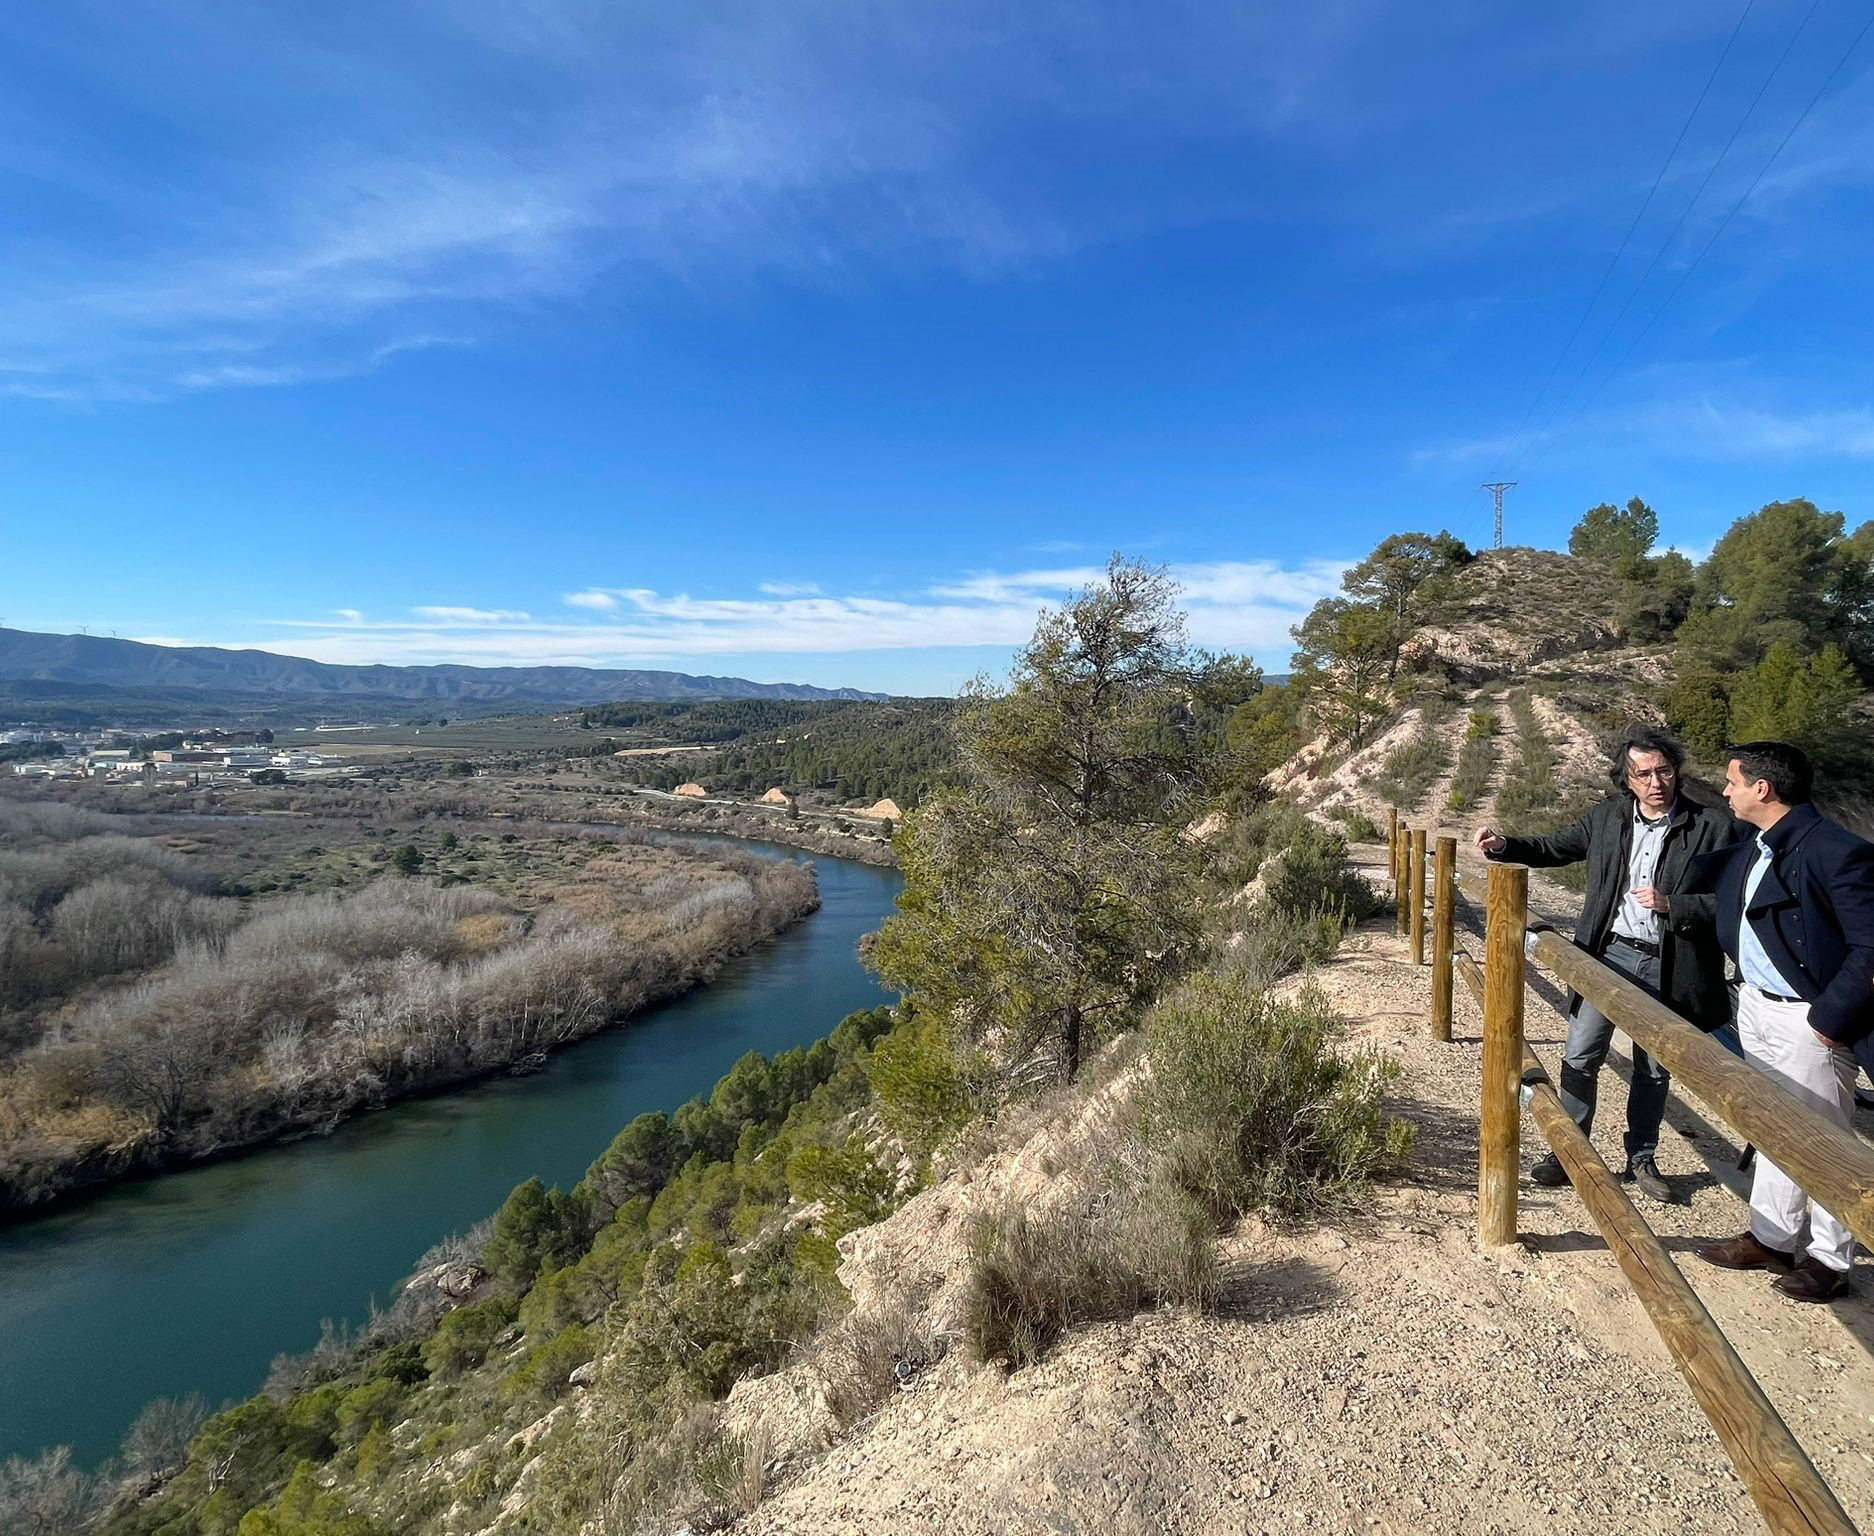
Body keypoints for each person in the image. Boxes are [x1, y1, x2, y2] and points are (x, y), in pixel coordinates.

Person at [1476, 727, 1735, 1202]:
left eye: (1664, 771)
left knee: (1654, 1069)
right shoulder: (1606, 818)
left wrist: (1674, 905)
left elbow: (1733, 899)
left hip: (1672, 963)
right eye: (1643, 774)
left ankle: (1642, 1157)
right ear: (1627, 780)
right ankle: (1570, 1148)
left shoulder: (1713, 826)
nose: (1656, 781)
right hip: (1606, 956)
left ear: (1675, 772)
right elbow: (1552, 849)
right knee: (1580, 1054)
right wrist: (1503, 845)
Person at [1692, 741, 1874, 1304]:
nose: (1725, 791)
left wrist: (1827, 1018)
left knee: (1823, 1136)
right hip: (1757, 1005)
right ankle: (1773, 1237)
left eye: (1732, 782)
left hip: (1807, 1019)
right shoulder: (1756, 842)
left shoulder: (1836, 851)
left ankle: (1831, 1259)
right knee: (1770, 1126)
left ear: (1762, 789)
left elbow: (1871, 946)